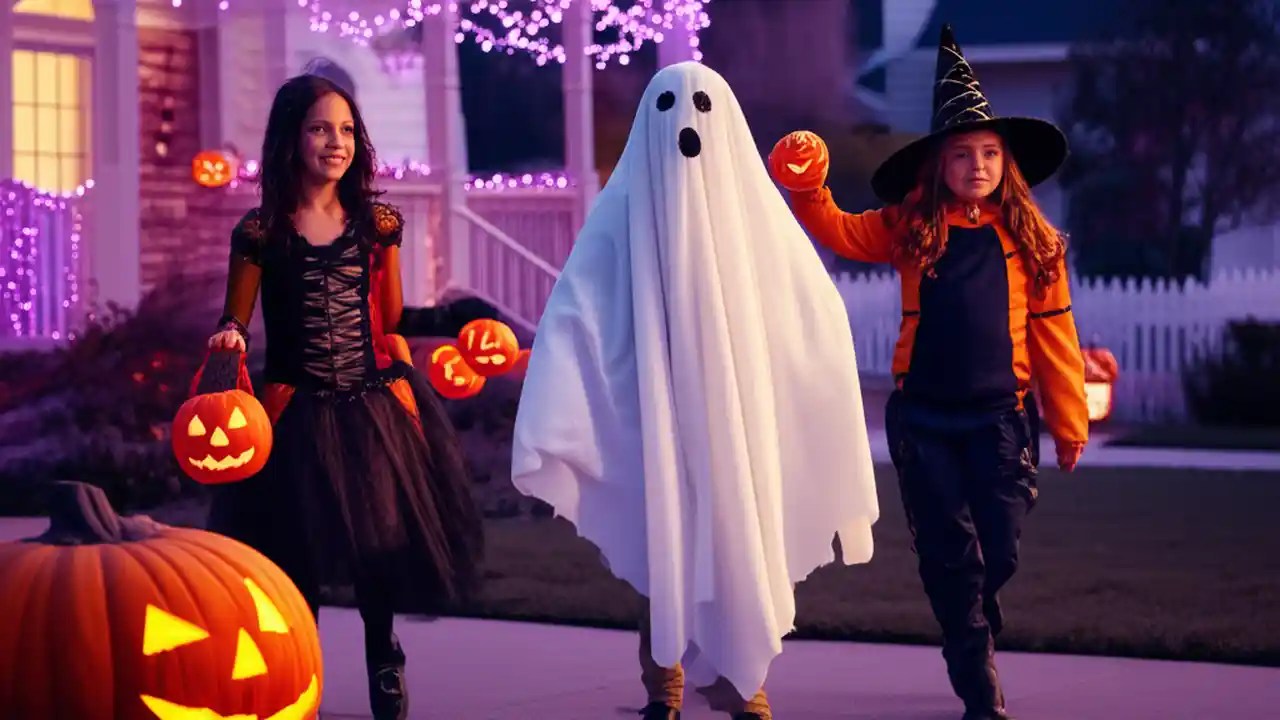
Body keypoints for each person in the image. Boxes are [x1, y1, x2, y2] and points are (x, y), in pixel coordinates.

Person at [509, 61, 879, 720]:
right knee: (666, 535)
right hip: (652, 415)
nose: (686, 125)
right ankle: (666, 681)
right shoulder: (621, 216)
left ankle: (743, 682)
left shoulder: (757, 219)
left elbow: (806, 305)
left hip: (738, 417)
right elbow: (581, 306)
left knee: (742, 528)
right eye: (669, 107)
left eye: (703, 107)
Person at [769, 24, 1088, 720]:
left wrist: (1068, 421)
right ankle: (976, 679)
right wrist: (810, 186)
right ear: (937, 166)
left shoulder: (1033, 244)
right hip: (926, 421)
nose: (978, 165)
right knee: (950, 556)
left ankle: (976, 610)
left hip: (1002, 418)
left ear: (1008, 164)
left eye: (990, 154)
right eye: (963, 155)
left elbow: (1055, 336)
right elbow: (840, 230)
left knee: (998, 547)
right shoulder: (912, 229)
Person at [204, 74, 484, 720]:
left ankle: (383, 656)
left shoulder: (376, 225)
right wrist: (227, 338)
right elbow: (234, 319)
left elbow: (389, 320)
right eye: (320, 129)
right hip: (293, 409)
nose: (336, 142)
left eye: (347, 130)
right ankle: (298, 667)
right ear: (291, 139)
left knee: (375, 542)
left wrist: (452, 314)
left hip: (367, 406)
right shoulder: (260, 233)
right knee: (294, 548)